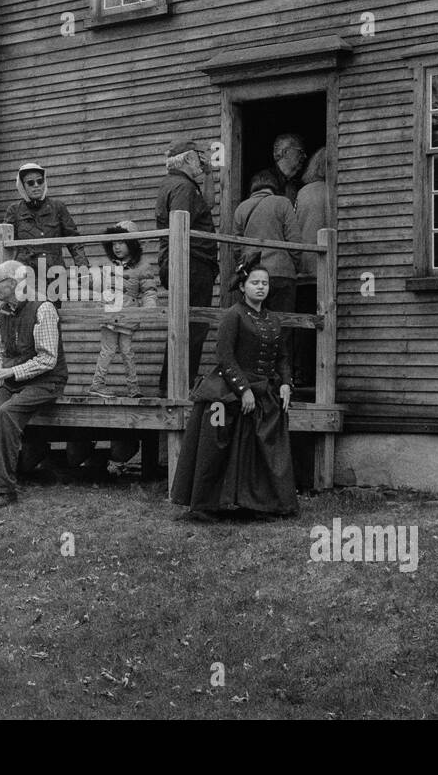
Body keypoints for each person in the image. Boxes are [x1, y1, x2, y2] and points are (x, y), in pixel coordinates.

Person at [171, 263, 297, 522]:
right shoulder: (234, 315)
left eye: (265, 283)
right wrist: (244, 391)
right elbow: (225, 357)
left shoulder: (273, 320)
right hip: (231, 384)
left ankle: (260, 503)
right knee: (218, 430)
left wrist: (285, 383)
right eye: (255, 283)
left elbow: (283, 357)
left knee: (266, 438)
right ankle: (206, 504)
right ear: (242, 287)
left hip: (265, 388)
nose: (261, 287)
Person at [0, 260, 68, 507]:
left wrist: (9, 372)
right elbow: (0, 349)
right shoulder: (2, 309)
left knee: (6, 413)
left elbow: (48, 360)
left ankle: (6, 490)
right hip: (14, 378)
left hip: (46, 381)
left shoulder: (43, 308)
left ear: (13, 283)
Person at [156, 139, 218, 390]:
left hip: (190, 263)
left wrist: (209, 175)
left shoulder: (181, 184)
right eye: (199, 158)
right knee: (193, 325)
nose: (201, 162)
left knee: (189, 324)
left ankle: (173, 384)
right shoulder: (182, 188)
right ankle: (177, 385)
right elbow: (179, 226)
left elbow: (209, 205)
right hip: (190, 263)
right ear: (188, 159)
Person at [89, 221, 158, 398]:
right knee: (108, 349)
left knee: (127, 352)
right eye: (114, 243)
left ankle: (134, 389)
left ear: (132, 244)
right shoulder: (107, 265)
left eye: (121, 242)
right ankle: (97, 385)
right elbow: (95, 284)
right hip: (110, 315)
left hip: (128, 315)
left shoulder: (142, 266)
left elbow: (149, 290)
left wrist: (150, 308)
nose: (117, 247)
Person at [2, 162, 89, 280]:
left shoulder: (58, 207)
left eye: (40, 181)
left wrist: (83, 268)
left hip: (55, 274)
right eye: (30, 183)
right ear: (22, 186)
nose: (36, 185)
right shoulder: (14, 210)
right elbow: (4, 245)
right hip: (26, 275)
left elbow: (74, 242)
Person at [232, 170, 303, 313]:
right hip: (281, 274)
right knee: (282, 325)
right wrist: (293, 266)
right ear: (274, 187)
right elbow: (294, 241)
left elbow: (236, 247)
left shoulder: (241, 208)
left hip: (252, 274)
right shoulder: (283, 203)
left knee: (254, 326)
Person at [294, 148, 329, 388]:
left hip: (304, 266)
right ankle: (321, 376)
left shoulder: (304, 192)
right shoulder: (333, 192)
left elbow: (294, 226)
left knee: (304, 324)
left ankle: (300, 374)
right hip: (327, 268)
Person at [255, 133, 308, 206]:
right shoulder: (263, 180)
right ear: (285, 152)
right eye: (300, 151)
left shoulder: (296, 183)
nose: (305, 156)